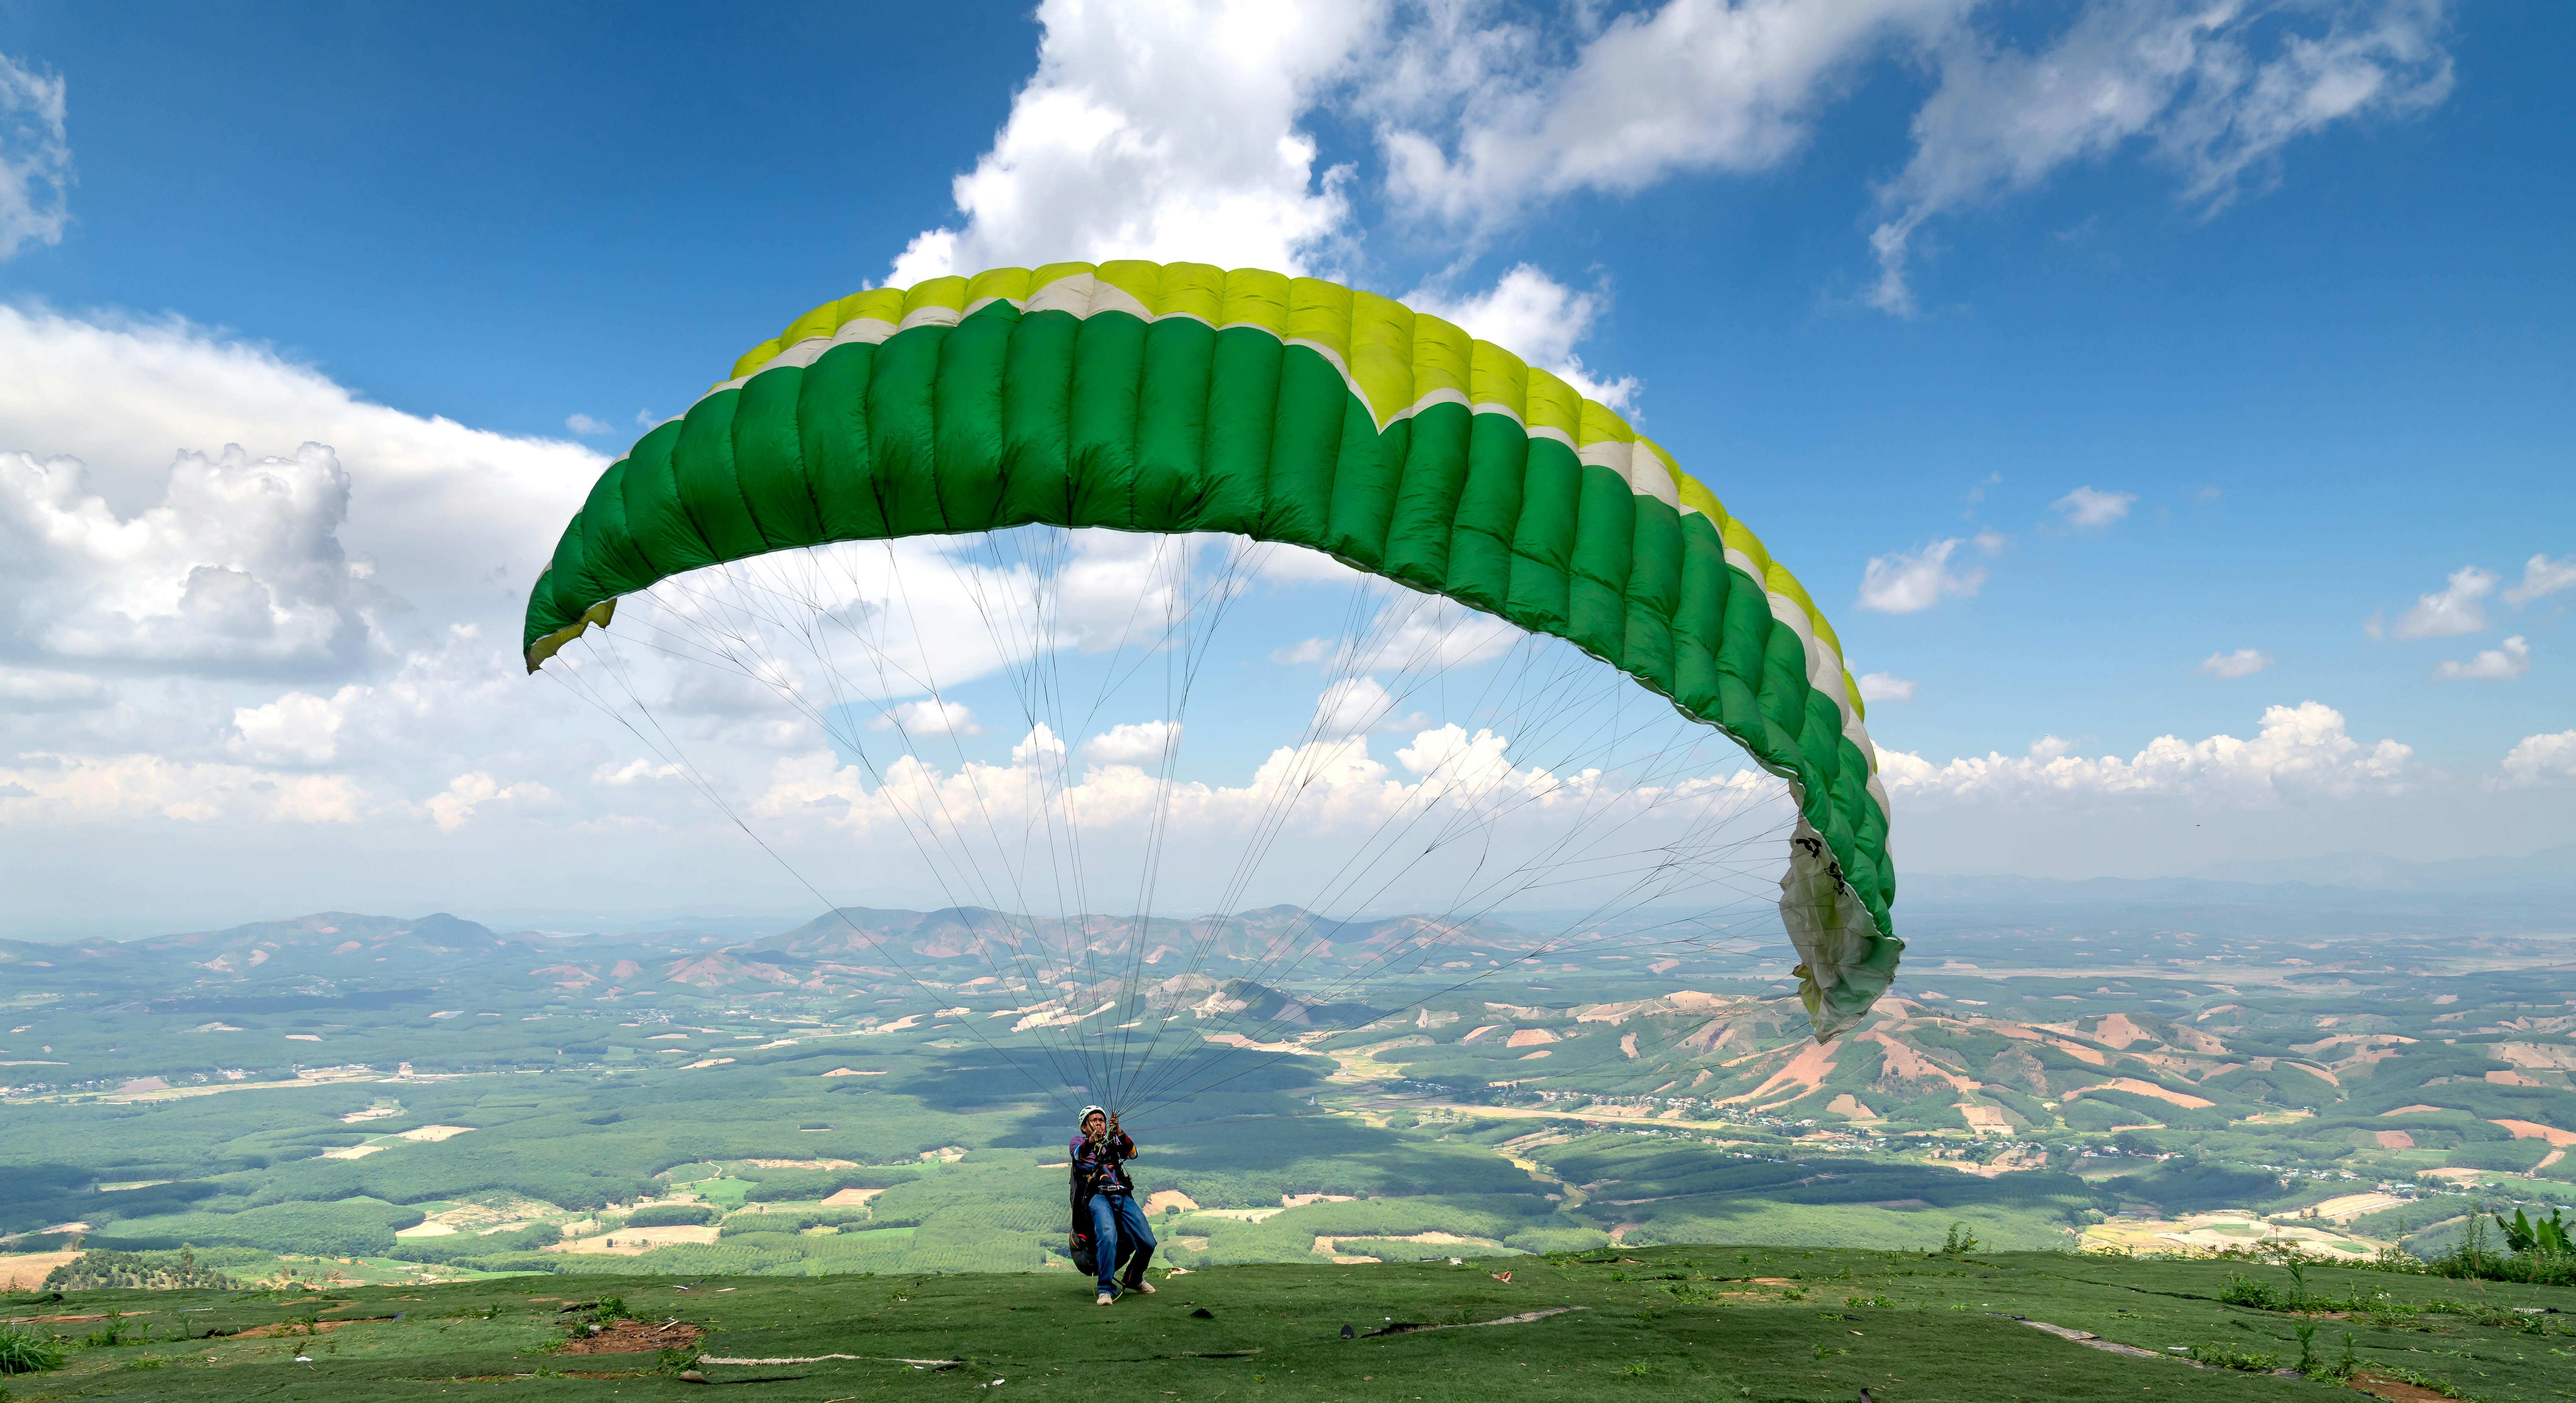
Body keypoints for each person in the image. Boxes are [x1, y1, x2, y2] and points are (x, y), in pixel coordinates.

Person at [1068, 1104, 1156, 1304]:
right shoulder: (1078, 1142)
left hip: (1121, 1193)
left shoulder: (1113, 1141)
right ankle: (1106, 1290)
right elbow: (1078, 1155)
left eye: (1102, 1120)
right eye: (1094, 1121)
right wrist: (1091, 1142)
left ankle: (1134, 1278)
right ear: (1084, 1127)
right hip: (1097, 1196)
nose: (1099, 1124)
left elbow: (1133, 1153)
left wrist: (1120, 1132)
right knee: (1107, 1235)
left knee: (1148, 1242)